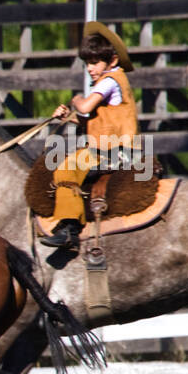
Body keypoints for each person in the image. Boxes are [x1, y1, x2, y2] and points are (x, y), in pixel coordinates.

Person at [42, 21, 140, 248]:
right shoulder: (114, 80)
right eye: (87, 63)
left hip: (114, 151)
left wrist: (75, 100)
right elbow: (93, 119)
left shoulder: (109, 81)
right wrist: (67, 116)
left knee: (66, 169)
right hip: (112, 147)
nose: (90, 68)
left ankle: (70, 226)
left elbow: (85, 108)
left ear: (112, 61)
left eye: (95, 62)